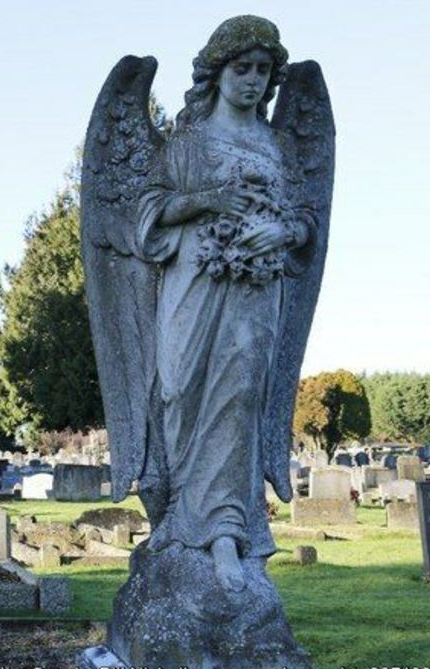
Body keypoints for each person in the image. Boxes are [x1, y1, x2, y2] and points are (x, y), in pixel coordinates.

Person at [135, 15, 316, 592]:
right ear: (217, 73)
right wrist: (208, 201)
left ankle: (225, 532)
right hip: (192, 280)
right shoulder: (186, 143)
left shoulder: (275, 145)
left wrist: (283, 233)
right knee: (177, 387)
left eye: (264, 72)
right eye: (243, 69)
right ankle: (176, 519)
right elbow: (148, 214)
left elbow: (309, 222)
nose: (254, 81)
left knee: (239, 394)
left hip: (256, 291)